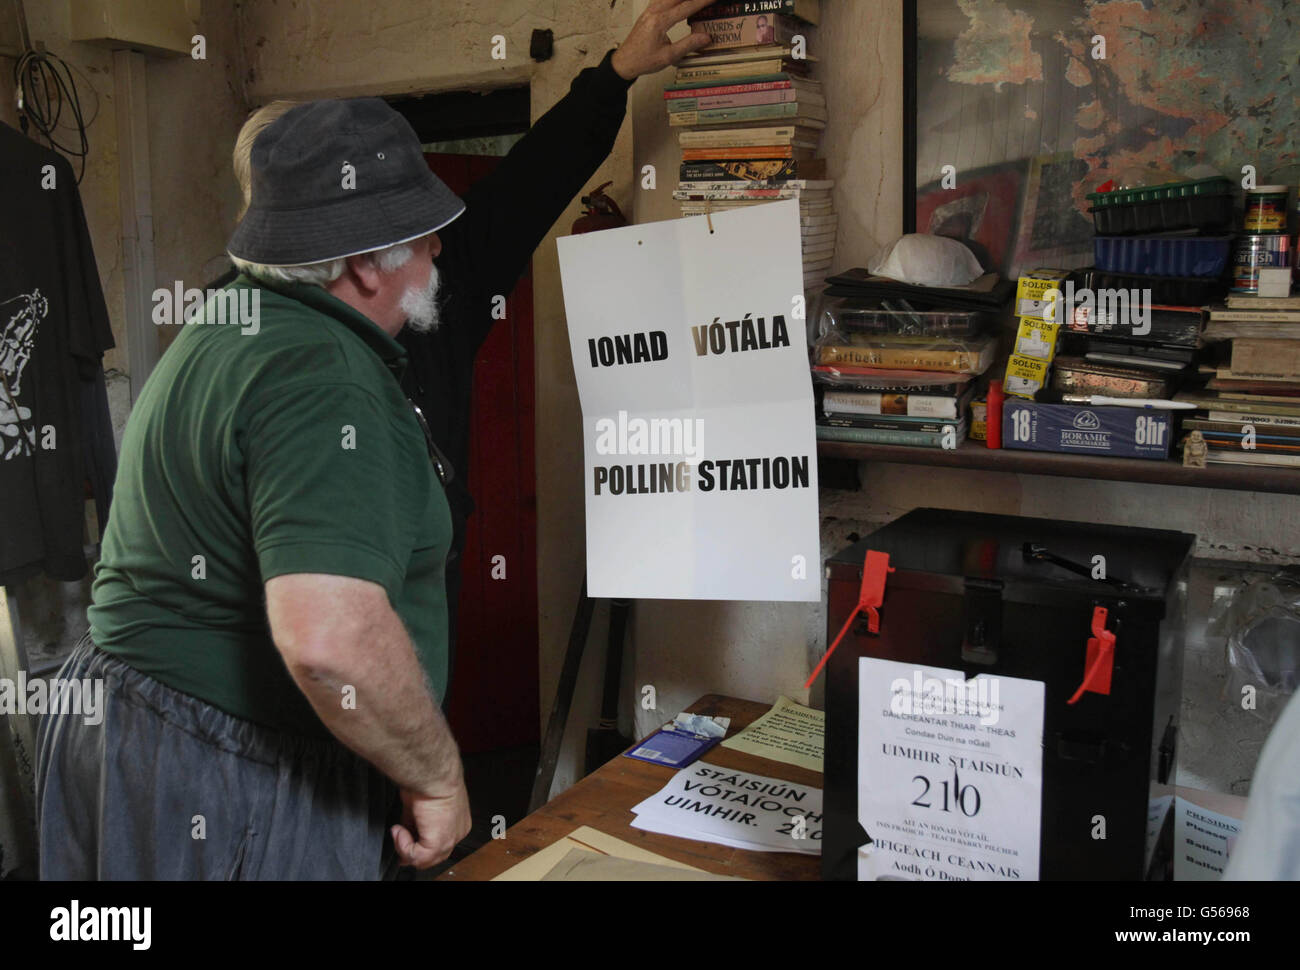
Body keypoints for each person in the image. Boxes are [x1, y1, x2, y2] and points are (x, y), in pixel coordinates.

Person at [34, 1, 715, 880]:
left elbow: (515, 199)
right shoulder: (319, 373)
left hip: (136, 748)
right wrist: (437, 777)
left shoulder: (227, 323)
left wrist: (613, 77)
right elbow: (328, 636)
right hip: (222, 770)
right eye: (423, 231)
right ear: (363, 261)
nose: (440, 246)